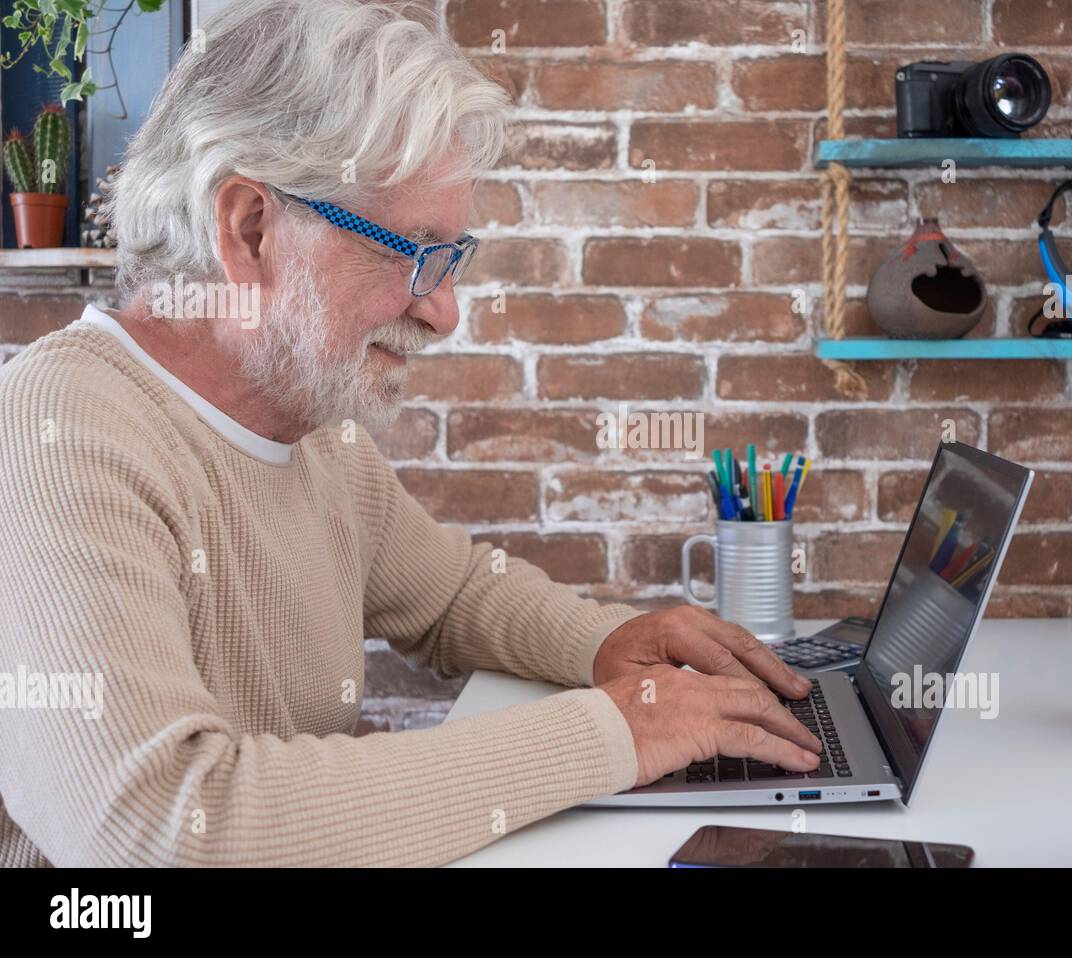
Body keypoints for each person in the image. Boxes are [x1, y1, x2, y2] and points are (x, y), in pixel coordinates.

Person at [0, 0, 818, 867]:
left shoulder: (304, 421)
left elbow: (456, 593)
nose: (446, 309)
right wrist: (616, 732)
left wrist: (608, 642)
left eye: (452, 258)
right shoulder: (55, 430)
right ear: (249, 228)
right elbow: (160, 828)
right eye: (413, 250)